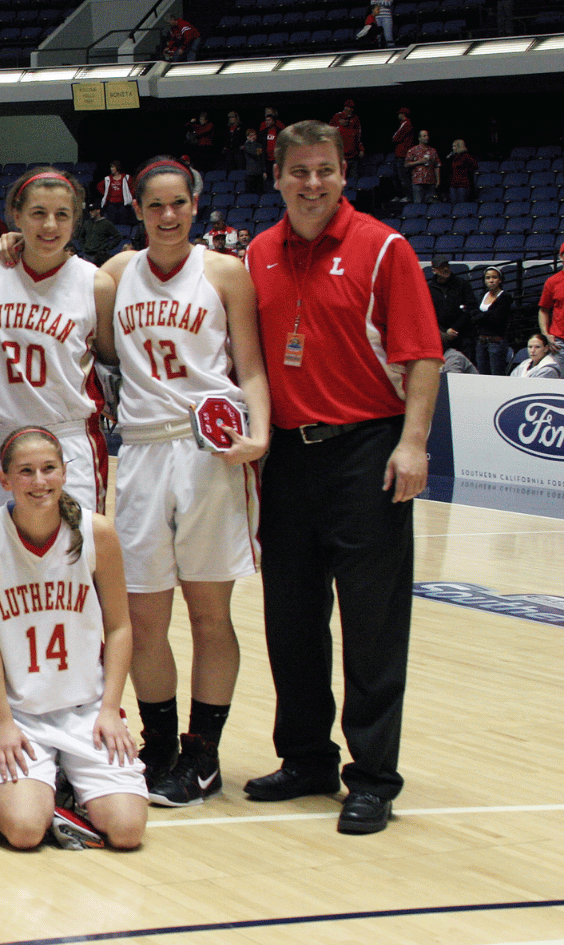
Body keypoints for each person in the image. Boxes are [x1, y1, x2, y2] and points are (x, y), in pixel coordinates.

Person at [243, 120, 442, 835]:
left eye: (324, 170)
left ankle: (373, 776)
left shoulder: (384, 246)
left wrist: (412, 444)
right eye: (298, 171)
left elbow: (422, 355)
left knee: (372, 623)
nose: (312, 183)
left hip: (367, 450)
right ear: (278, 177)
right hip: (288, 458)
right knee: (291, 617)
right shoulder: (259, 254)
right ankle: (305, 757)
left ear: (342, 173)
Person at [98, 157, 271, 806]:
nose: (167, 216)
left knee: (208, 612)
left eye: (178, 204)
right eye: (154, 206)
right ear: (137, 209)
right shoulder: (117, 273)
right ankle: (161, 747)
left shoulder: (225, 273)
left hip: (209, 453)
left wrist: (260, 433)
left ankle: (203, 754)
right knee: (144, 617)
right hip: (141, 453)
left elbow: (250, 366)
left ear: (195, 206)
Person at [0, 427, 147, 851]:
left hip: (86, 712)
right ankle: (51, 790)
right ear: (4, 479)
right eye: (25, 472)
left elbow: (120, 628)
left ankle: (64, 789)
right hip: (19, 717)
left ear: (65, 472)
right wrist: (4, 721)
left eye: (49, 469)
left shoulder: (97, 531)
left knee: (127, 831)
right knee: (24, 831)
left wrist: (109, 710)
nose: (39, 481)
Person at [0, 167, 116, 514]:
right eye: (38, 213)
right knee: (5, 558)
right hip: (2, 435)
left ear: (75, 219)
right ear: (16, 215)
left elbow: (110, 359)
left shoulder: (95, 283)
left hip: (67, 438)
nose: (50, 226)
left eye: (62, 215)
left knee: (75, 555)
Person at [428, 256, 474, 358]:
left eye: (446, 266)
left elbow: (470, 308)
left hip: (463, 336)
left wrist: (454, 329)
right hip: (440, 338)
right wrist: (442, 332)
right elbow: (427, 314)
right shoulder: (429, 288)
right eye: (441, 266)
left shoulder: (463, 285)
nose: (445, 269)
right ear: (434, 270)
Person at [472, 267, 514, 377]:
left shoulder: (505, 297)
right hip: (481, 342)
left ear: (500, 280)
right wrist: (483, 316)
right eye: (488, 278)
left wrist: (480, 316)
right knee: (482, 374)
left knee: (496, 375)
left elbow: (497, 318)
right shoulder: (482, 295)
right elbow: (473, 314)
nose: (491, 280)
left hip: (496, 342)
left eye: (494, 277)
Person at [405, 130, 441, 205]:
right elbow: (406, 164)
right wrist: (419, 162)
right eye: (424, 136)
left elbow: (437, 165)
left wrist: (438, 180)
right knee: (419, 204)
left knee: (431, 203)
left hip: (430, 181)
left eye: (427, 135)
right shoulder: (413, 150)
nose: (427, 137)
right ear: (419, 138)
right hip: (418, 181)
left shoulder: (432, 150)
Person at [538, 243, 564, 343]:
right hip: (560, 341)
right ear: (561, 257)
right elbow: (543, 310)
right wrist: (545, 334)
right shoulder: (552, 281)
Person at [97, 160, 133, 229]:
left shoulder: (126, 177)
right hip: (111, 204)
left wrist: (130, 196)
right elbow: (99, 186)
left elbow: (133, 187)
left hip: (123, 204)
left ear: (118, 167)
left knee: (123, 222)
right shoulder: (108, 178)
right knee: (112, 222)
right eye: (111, 167)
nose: (111, 169)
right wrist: (105, 194)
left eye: (113, 167)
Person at [445, 139, 479, 204]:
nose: (453, 148)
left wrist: (466, 171)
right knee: (453, 202)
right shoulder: (454, 157)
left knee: (462, 203)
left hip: (463, 184)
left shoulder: (466, 156)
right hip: (453, 184)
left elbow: (475, 166)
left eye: (454, 146)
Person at [390, 107, 415, 185]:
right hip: (399, 155)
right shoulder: (403, 124)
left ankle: (408, 196)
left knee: (404, 178)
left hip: (403, 155)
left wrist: (393, 139)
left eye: (399, 114)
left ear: (403, 114)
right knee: (397, 176)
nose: (398, 116)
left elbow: (396, 138)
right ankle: (400, 196)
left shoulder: (406, 124)